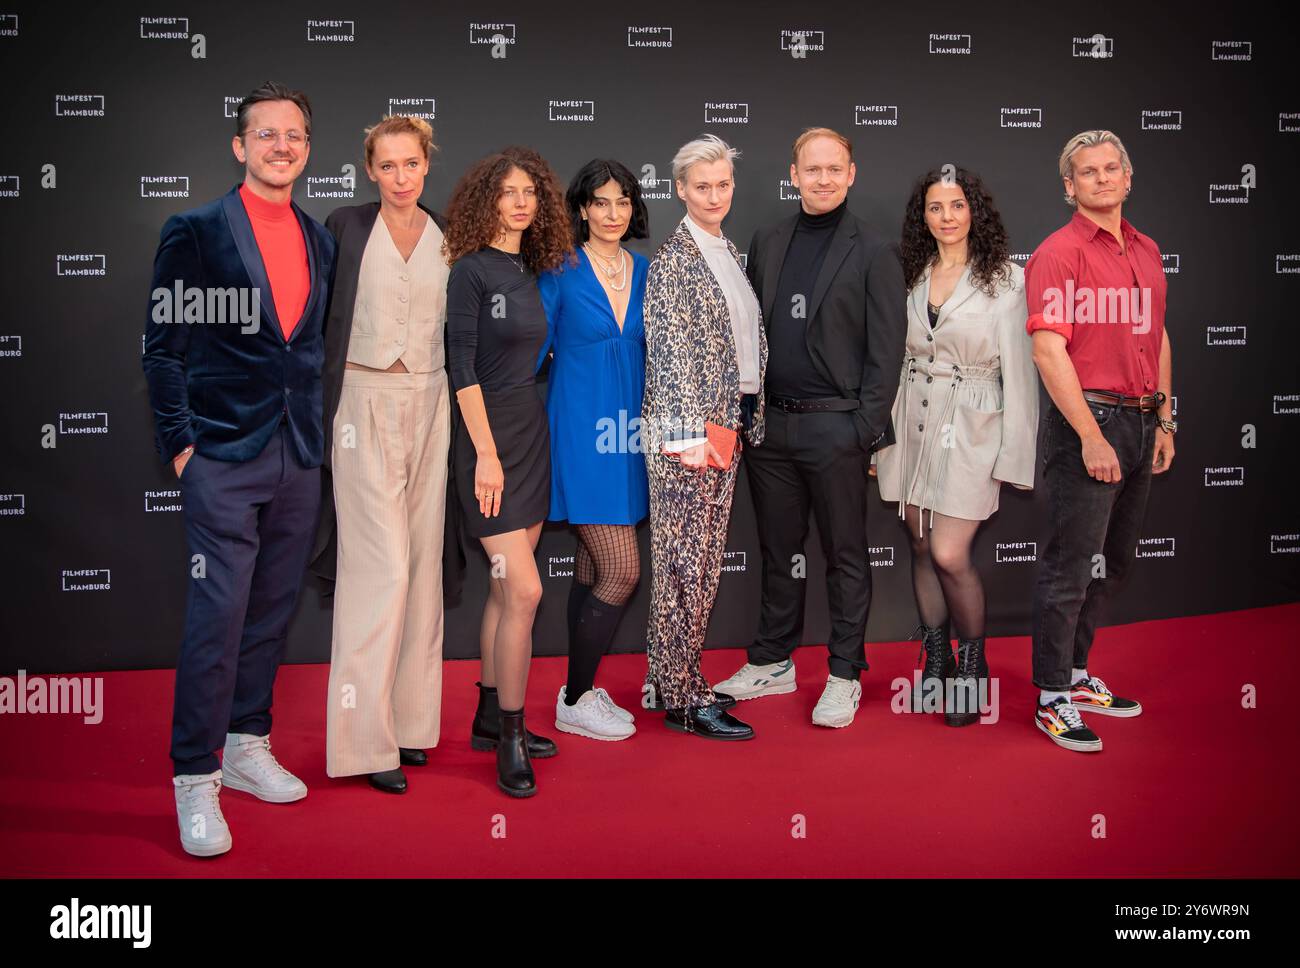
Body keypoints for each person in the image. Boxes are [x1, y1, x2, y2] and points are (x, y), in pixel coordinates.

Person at [143, 81, 336, 856]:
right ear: (239, 145)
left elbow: (307, 350)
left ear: (306, 149)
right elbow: (163, 349)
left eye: (293, 135)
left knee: (269, 613)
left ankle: (249, 742)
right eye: (266, 135)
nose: (280, 146)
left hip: (298, 455)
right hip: (221, 455)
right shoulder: (194, 230)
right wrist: (182, 446)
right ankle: (196, 777)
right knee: (215, 619)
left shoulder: (320, 239)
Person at [713, 128, 905, 728]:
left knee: (845, 554)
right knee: (778, 551)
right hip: (772, 430)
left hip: (836, 429)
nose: (822, 179)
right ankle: (773, 659)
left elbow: (887, 351)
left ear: (851, 174)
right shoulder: (767, 240)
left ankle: (845, 672)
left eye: (833, 169)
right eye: (811, 169)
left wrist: (864, 430)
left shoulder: (873, 251)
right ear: (792, 175)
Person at [307, 115, 452, 794]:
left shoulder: (450, 233)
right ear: (370, 170)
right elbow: (313, 320)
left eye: (411, 164)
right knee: (380, 571)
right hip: (360, 402)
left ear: (428, 165)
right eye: (387, 166)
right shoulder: (345, 228)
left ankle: (410, 726)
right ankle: (364, 743)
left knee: (422, 569)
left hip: (432, 402)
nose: (400, 177)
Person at [1027, 129, 1174, 752]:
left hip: (1142, 418)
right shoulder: (1060, 253)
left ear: (1129, 177)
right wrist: (1090, 436)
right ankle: (1051, 697)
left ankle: (1080, 675)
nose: (1103, 179)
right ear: (1070, 186)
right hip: (1091, 420)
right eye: (1089, 172)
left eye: (1113, 169)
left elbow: (1159, 335)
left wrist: (1165, 418)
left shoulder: (1147, 249)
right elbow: (1048, 349)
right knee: (1068, 568)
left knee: (1111, 564)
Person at [874, 166, 1037, 726]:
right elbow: (892, 359)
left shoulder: (1006, 280)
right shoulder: (909, 272)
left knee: (948, 551)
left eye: (957, 206)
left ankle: (973, 666)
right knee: (919, 546)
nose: (946, 217)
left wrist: (1014, 454)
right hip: (911, 416)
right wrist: (880, 441)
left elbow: (1020, 374)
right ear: (923, 216)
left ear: (976, 212)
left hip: (970, 425)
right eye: (935, 208)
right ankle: (937, 661)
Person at [443, 146, 572, 795]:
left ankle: (490, 717)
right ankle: (514, 738)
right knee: (523, 591)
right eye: (508, 192)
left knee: (502, 591)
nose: (520, 202)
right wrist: (485, 454)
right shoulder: (469, 271)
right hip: (487, 441)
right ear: (486, 199)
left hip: (530, 435)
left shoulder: (529, 269)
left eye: (530, 193)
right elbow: (460, 366)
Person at [642, 134, 767, 740]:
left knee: (699, 563)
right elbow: (668, 353)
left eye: (722, 184)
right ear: (680, 190)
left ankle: (673, 676)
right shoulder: (674, 259)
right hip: (692, 434)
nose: (713, 195)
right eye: (701, 186)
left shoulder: (728, 251)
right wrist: (689, 439)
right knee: (685, 566)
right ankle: (683, 696)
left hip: (726, 422)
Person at [538, 160, 650, 742]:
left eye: (623, 202)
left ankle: (575, 691)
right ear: (581, 208)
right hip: (582, 434)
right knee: (622, 570)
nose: (613, 213)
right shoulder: (558, 270)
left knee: (590, 566)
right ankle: (578, 698)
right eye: (601, 202)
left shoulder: (648, 270)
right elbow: (527, 355)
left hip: (633, 437)